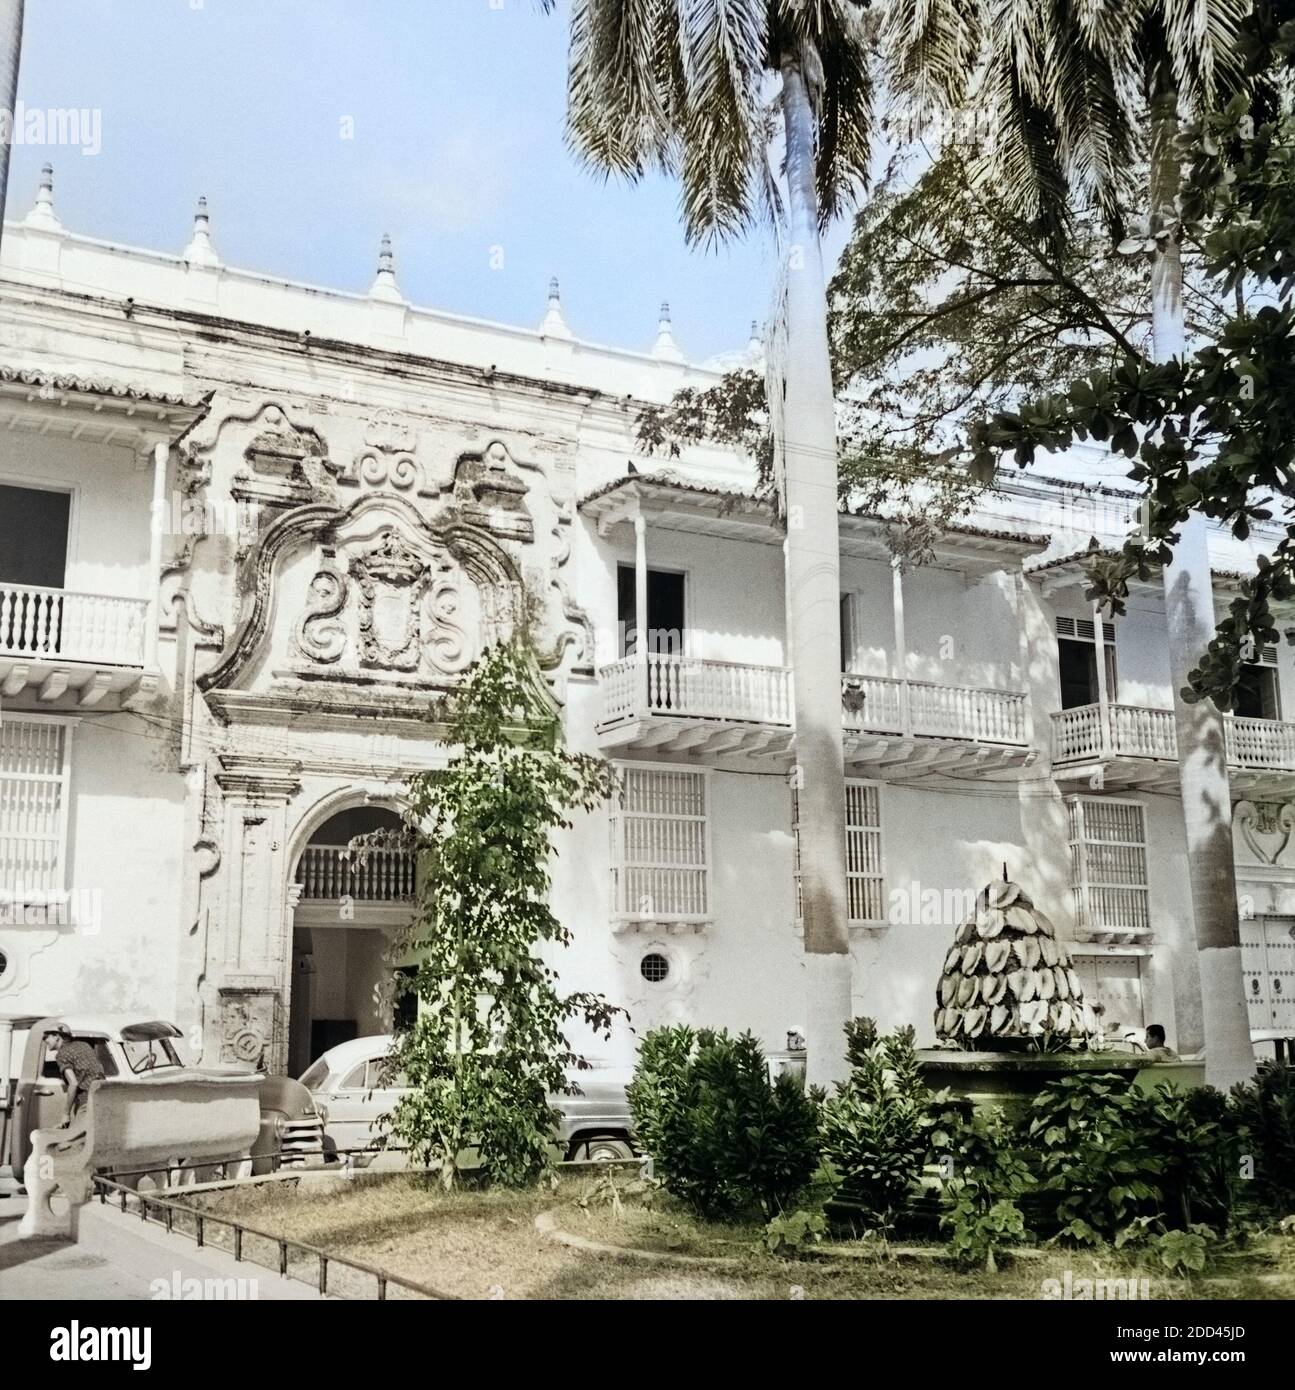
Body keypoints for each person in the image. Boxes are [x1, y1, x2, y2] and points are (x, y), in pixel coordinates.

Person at [52, 1024, 105, 1125]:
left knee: (81, 1137)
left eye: (45, 1037)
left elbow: (74, 1083)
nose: (44, 1040)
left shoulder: (62, 1054)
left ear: (57, 1036)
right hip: (101, 1096)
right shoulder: (84, 1045)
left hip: (86, 1101)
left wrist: (66, 1114)